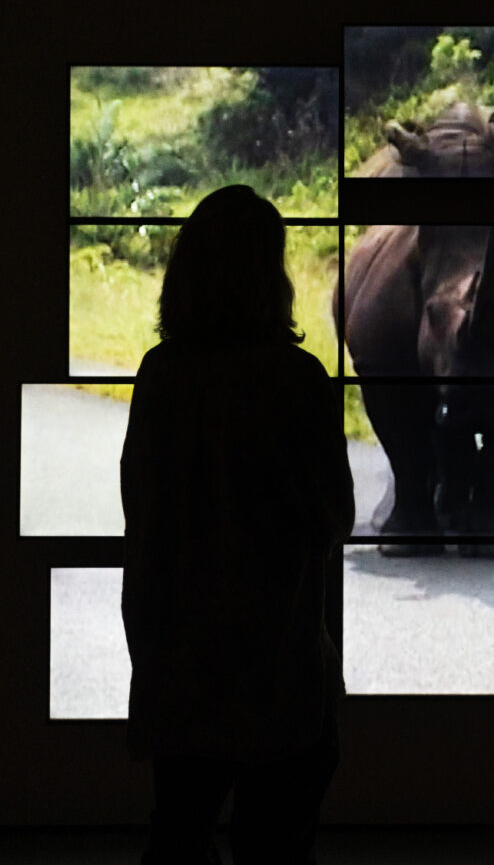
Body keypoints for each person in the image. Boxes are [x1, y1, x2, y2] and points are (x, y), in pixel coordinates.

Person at [120, 185, 352, 865]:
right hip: (279, 663)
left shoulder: (160, 377)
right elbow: (333, 515)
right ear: (270, 275)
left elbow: (143, 513)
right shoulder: (300, 380)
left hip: (179, 662)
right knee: (277, 846)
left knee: (180, 832)